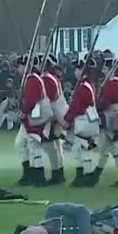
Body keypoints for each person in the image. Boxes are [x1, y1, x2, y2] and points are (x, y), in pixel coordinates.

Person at [94, 52, 118, 187]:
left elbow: (105, 103)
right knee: (105, 149)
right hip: (117, 119)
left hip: (114, 121)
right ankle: (96, 174)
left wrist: (98, 104)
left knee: (116, 150)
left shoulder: (113, 84)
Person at [15, 55, 52, 186]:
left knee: (34, 146)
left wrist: (23, 113)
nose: (18, 69)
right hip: (31, 118)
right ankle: (28, 173)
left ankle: (39, 175)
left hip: (34, 117)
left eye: (20, 66)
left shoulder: (31, 79)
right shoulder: (30, 79)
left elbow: (30, 100)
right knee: (20, 144)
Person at [65, 58, 100, 187]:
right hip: (86, 120)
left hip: (83, 120)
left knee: (82, 149)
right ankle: (84, 175)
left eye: (77, 69)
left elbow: (77, 106)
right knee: (80, 150)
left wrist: (67, 118)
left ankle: (85, 176)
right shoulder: (87, 85)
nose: (75, 72)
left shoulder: (83, 87)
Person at [40, 54, 68, 185]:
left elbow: (48, 101)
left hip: (52, 115)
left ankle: (56, 173)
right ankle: (59, 172)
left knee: (51, 146)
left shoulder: (47, 80)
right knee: (56, 146)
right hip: (57, 114)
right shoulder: (52, 78)